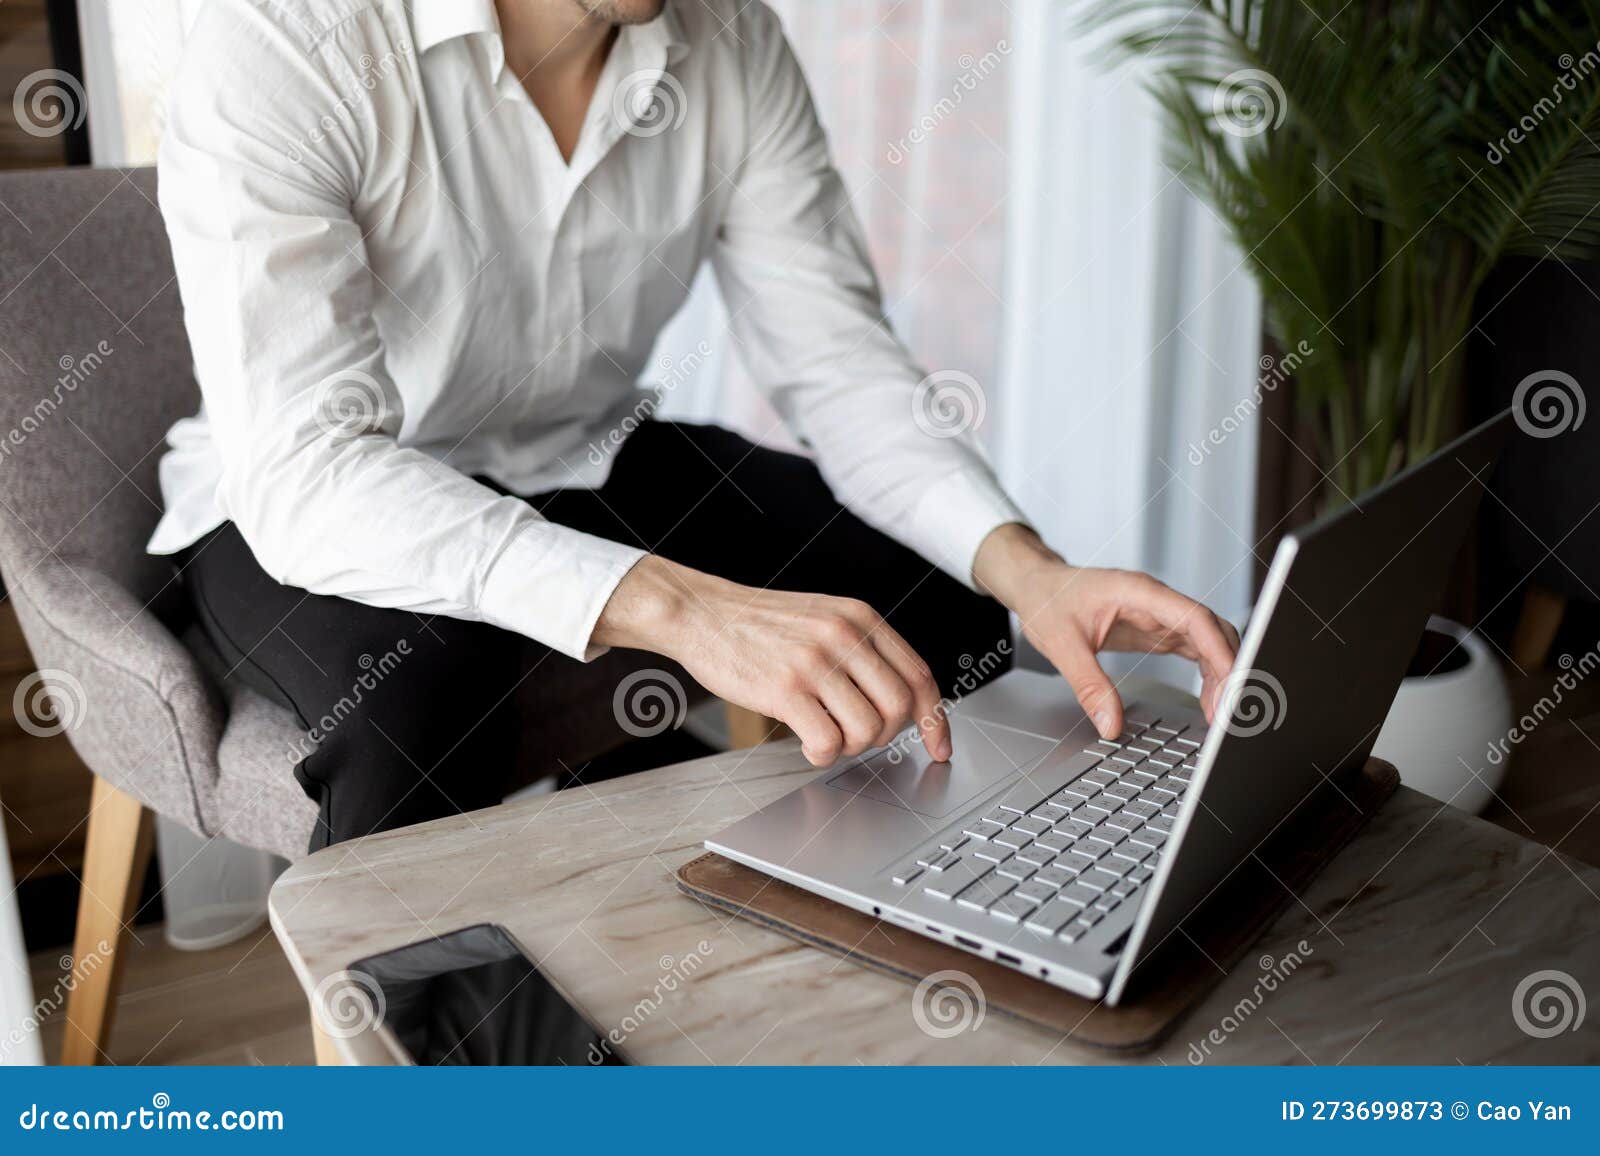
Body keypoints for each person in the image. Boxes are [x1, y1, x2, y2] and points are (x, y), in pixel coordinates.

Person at [151, 0, 1239, 850]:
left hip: (574, 452)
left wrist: (1030, 571)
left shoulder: (734, 45)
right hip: (318, 497)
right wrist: (687, 610)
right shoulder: (286, 40)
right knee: (414, 695)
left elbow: (842, 366)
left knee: (939, 598)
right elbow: (304, 467)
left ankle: (957, 925)